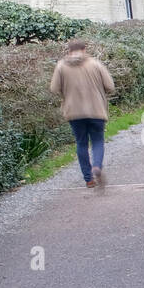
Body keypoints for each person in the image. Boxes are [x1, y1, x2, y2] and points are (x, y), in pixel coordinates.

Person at [49, 39, 115, 188]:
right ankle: (97, 166)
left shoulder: (61, 66)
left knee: (81, 143)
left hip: (74, 112)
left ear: (69, 50)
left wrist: (67, 92)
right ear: (84, 49)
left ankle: (88, 179)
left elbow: (54, 88)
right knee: (97, 141)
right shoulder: (95, 64)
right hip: (96, 110)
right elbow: (110, 86)